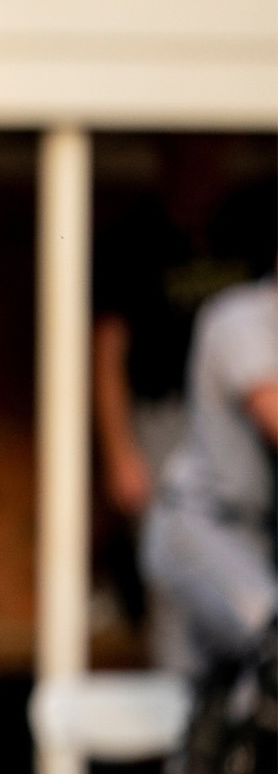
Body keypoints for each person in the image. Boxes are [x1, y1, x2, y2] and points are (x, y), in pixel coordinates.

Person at [93, 143, 272, 673]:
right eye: (195, 168)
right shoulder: (137, 237)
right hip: (166, 421)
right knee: (180, 576)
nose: (206, 181)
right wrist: (120, 450)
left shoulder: (241, 231)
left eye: (214, 169)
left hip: (234, 433)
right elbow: (106, 352)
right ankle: (188, 705)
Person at [141, 272, 277, 670]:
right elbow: (270, 410)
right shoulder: (240, 318)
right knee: (270, 645)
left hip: (253, 538)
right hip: (200, 529)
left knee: (231, 692)